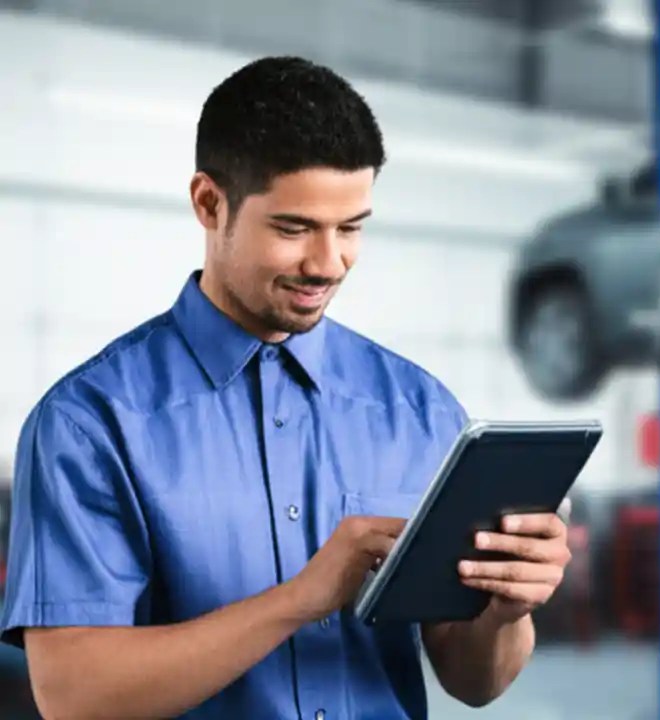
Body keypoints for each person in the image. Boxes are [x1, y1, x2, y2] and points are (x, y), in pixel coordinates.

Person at [0, 56, 573, 719]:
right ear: (209, 204)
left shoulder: (419, 411)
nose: (328, 263)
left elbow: (474, 683)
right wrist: (301, 598)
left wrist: (506, 610)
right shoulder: (91, 423)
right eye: (294, 228)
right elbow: (75, 696)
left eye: (351, 228)